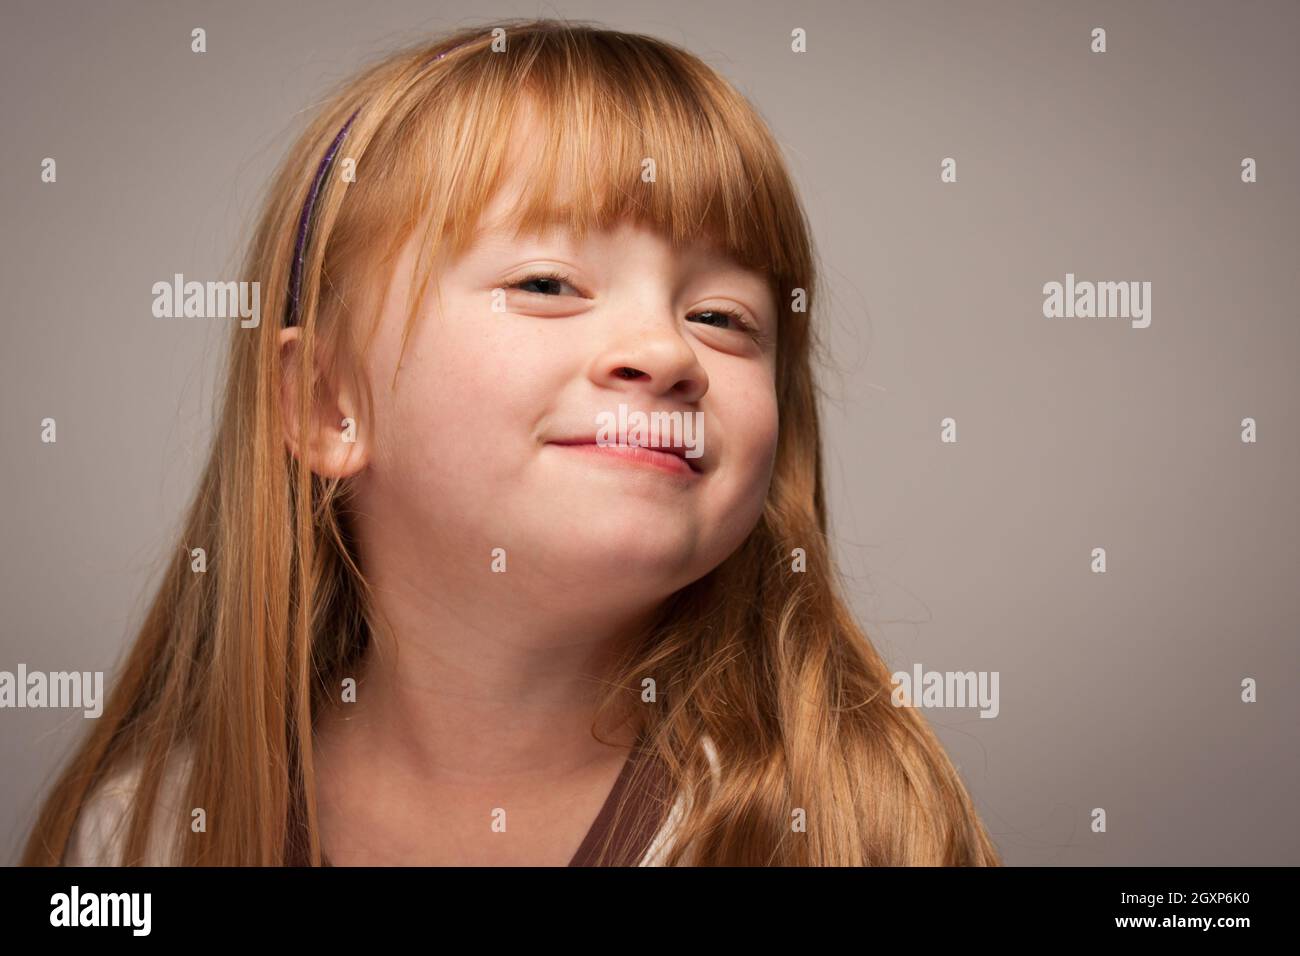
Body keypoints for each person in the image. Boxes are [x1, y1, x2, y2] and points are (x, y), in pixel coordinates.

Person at [24, 18, 1000, 866]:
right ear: (328, 403)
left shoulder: (836, 827)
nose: (664, 350)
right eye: (546, 284)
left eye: (722, 316)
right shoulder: (149, 829)